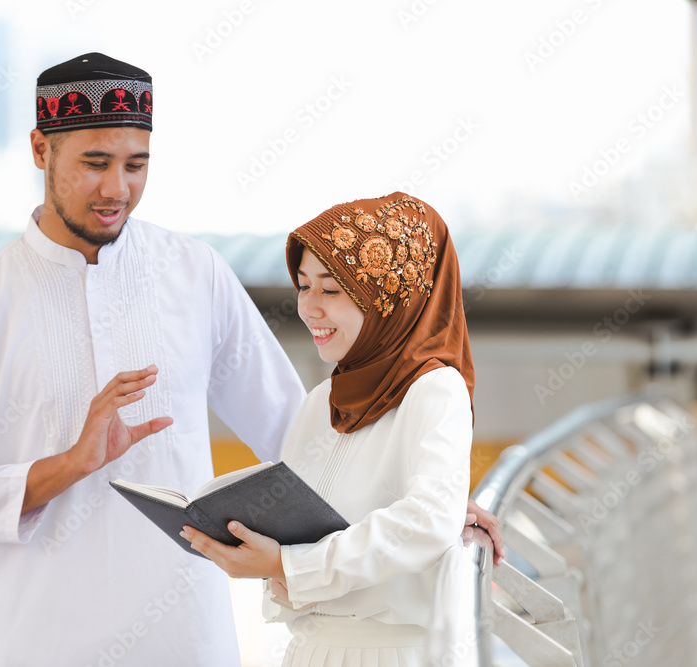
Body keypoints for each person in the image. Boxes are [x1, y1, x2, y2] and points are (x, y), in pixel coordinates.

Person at [0, 52, 307, 666]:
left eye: (135, 165)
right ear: (40, 149)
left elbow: (297, 432)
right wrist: (70, 464)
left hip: (185, 644)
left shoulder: (195, 274)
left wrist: (418, 499)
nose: (117, 189)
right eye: (95, 164)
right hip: (31, 647)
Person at [182, 192, 488, 665]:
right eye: (303, 286)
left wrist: (290, 565)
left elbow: (427, 521)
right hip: (311, 649)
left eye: (331, 290)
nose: (308, 308)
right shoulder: (323, 400)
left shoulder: (434, 389)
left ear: (390, 296)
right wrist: (260, 553)